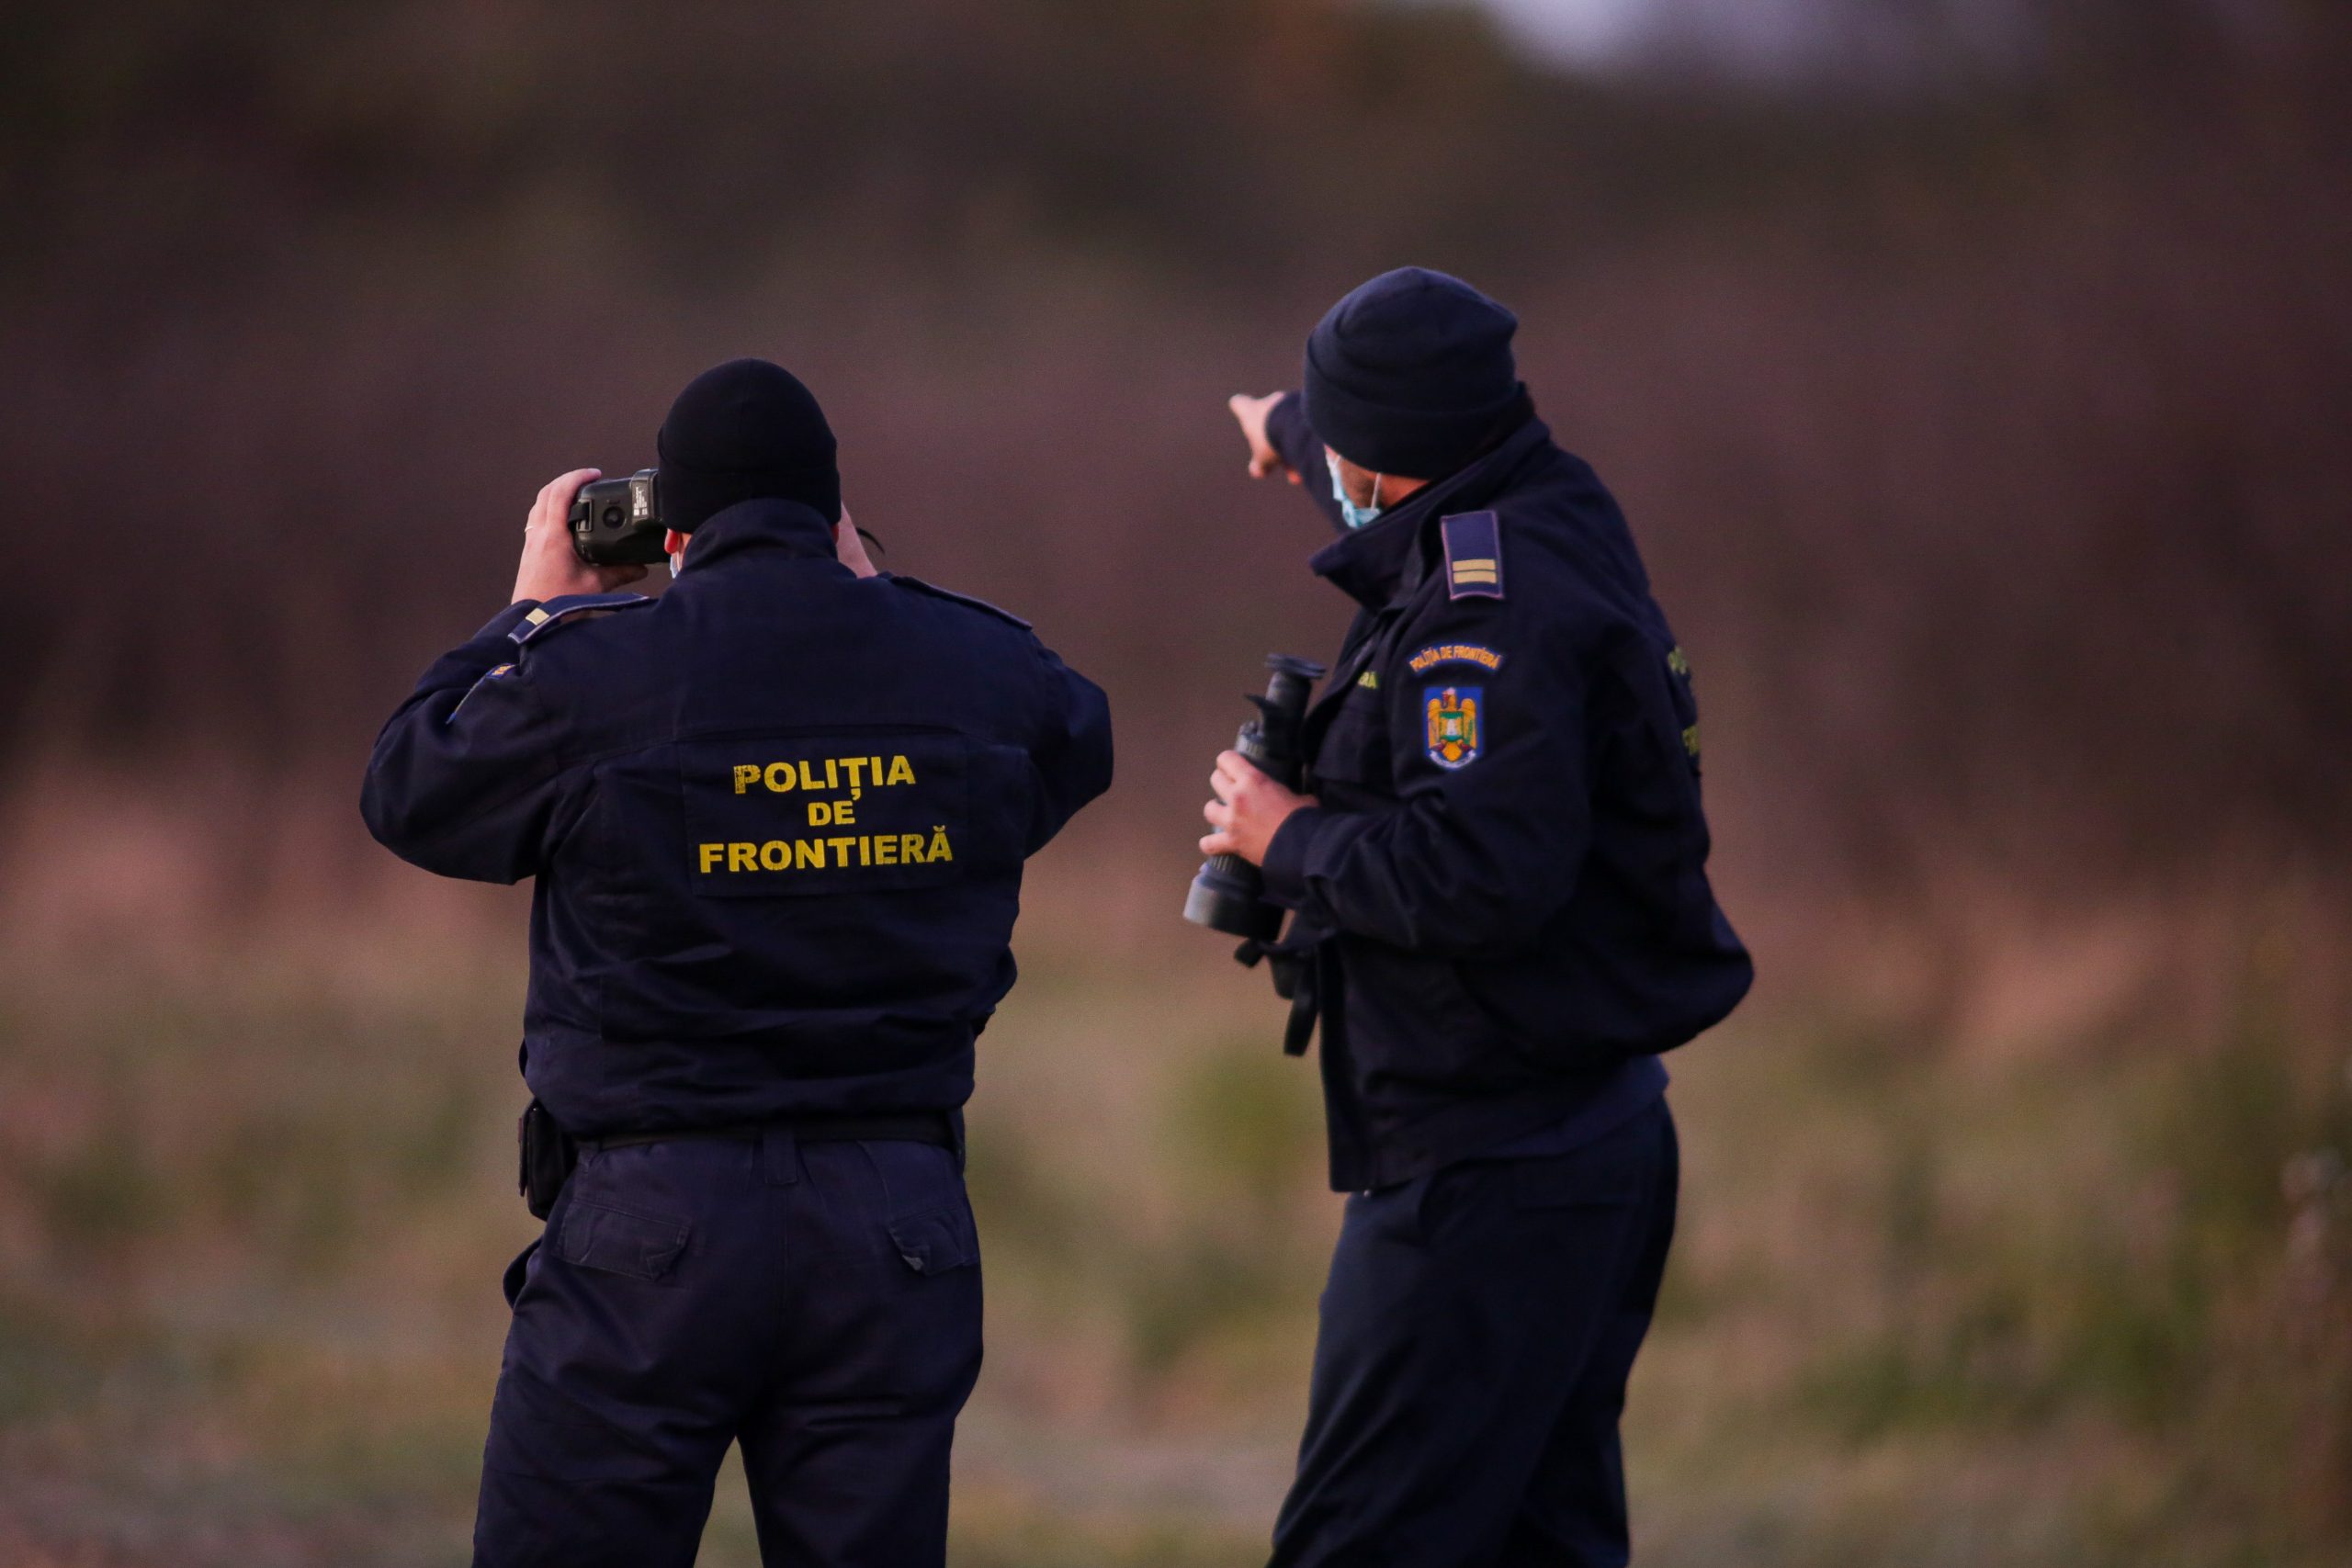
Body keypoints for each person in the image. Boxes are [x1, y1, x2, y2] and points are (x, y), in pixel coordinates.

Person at [362, 357, 1113, 1568]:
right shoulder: (977, 671)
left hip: (651, 1230)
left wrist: (533, 609)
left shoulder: (592, 675)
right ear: (831, 517)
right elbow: (1077, 735)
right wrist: (869, 596)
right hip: (894, 1226)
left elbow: (410, 790)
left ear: (673, 528)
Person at [1204, 269, 1752, 1567]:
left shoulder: (1482, 621)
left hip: (1485, 1177)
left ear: (1387, 465)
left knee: (1360, 1545)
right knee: (1537, 1545)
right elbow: (1398, 452)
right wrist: (1291, 428)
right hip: (1590, 1136)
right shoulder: (1552, 503)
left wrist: (1288, 840)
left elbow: (1484, 875)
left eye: (1339, 448)